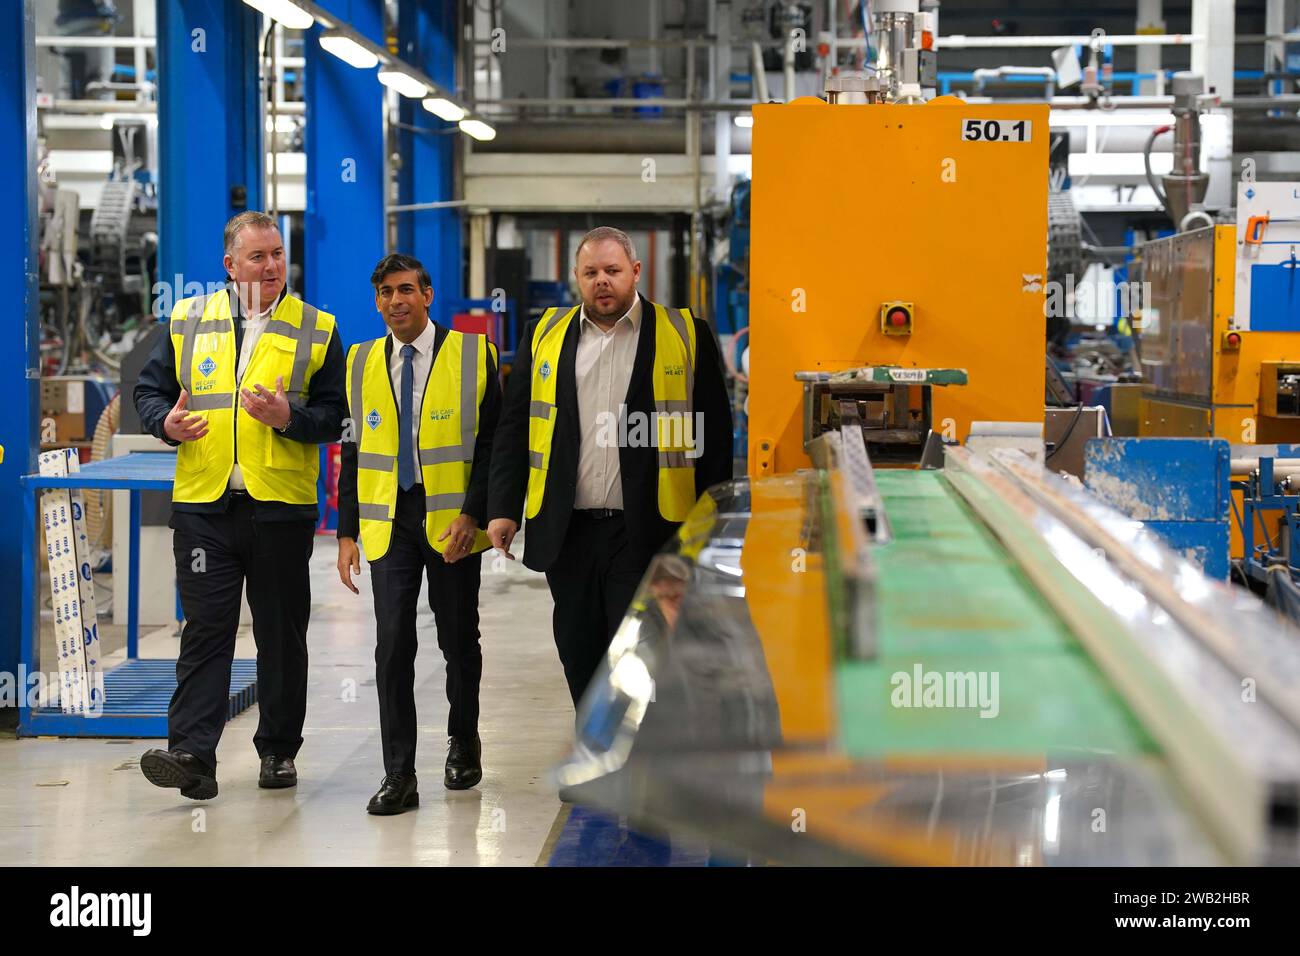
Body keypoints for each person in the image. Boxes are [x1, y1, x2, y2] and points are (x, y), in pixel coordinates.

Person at [133, 211, 346, 800]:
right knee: (206, 631)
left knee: (280, 634)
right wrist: (166, 425)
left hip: (279, 508)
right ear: (230, 265)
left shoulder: (317, 328)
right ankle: (192, 755)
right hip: (205, 507)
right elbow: (148, 392)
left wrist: (289, 419)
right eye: (259, 256)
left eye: (278, 254)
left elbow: (336, 416)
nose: (273, 265)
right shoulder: (187, 320)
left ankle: (278, 751)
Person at [486, 226, 732, 706]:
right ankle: (593, 756)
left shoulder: (685, 334)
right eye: (591, 272)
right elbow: (515, 428)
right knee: (578, 652)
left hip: (647, 528)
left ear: (635, 272)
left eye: (613, 271)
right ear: (576, 277)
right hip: (567, 528)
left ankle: (629, 770)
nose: (603, 281)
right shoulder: (545, 335)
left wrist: (709, 529)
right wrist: (503, 507)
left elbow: (714, 441)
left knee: (636, 654)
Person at [336, 254, 500, 815]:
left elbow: (492, 447)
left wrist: (475, 514)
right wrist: (347, 531)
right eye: (385, 292)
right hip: (390, 524)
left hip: (453, 521)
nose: (396, 301)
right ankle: (398, 773)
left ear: (428, 295)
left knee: (457, 640)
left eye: (406, 290)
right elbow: (354, 450)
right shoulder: (359, 362)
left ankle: (463, 741)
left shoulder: (474, 355)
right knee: (392, 647)